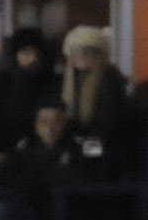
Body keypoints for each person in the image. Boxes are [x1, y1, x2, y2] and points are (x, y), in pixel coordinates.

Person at [58, 26, 136, 173]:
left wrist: (83, 153)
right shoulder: (67, 80)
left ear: (100, 55)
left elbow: (107, 126)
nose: (81, 55)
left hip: (107, 148)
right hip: (80, 143)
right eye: (75, 50)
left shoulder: (110, 81)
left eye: (88, 51)